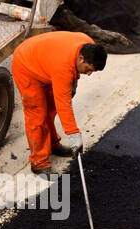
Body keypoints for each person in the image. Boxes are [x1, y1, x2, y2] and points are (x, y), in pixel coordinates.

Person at [10, 31, 107, 174]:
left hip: (45, 62)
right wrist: (74, 135)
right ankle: (39, 162)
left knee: (50, 108)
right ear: (80, 59)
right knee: (37, 114)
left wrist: (73, 79)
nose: (88, 74)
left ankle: (52, 144)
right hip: (26, 66)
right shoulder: (63, 68)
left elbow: (62, 94)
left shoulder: (88, 44)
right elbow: (64, 104)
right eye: (88, 69)